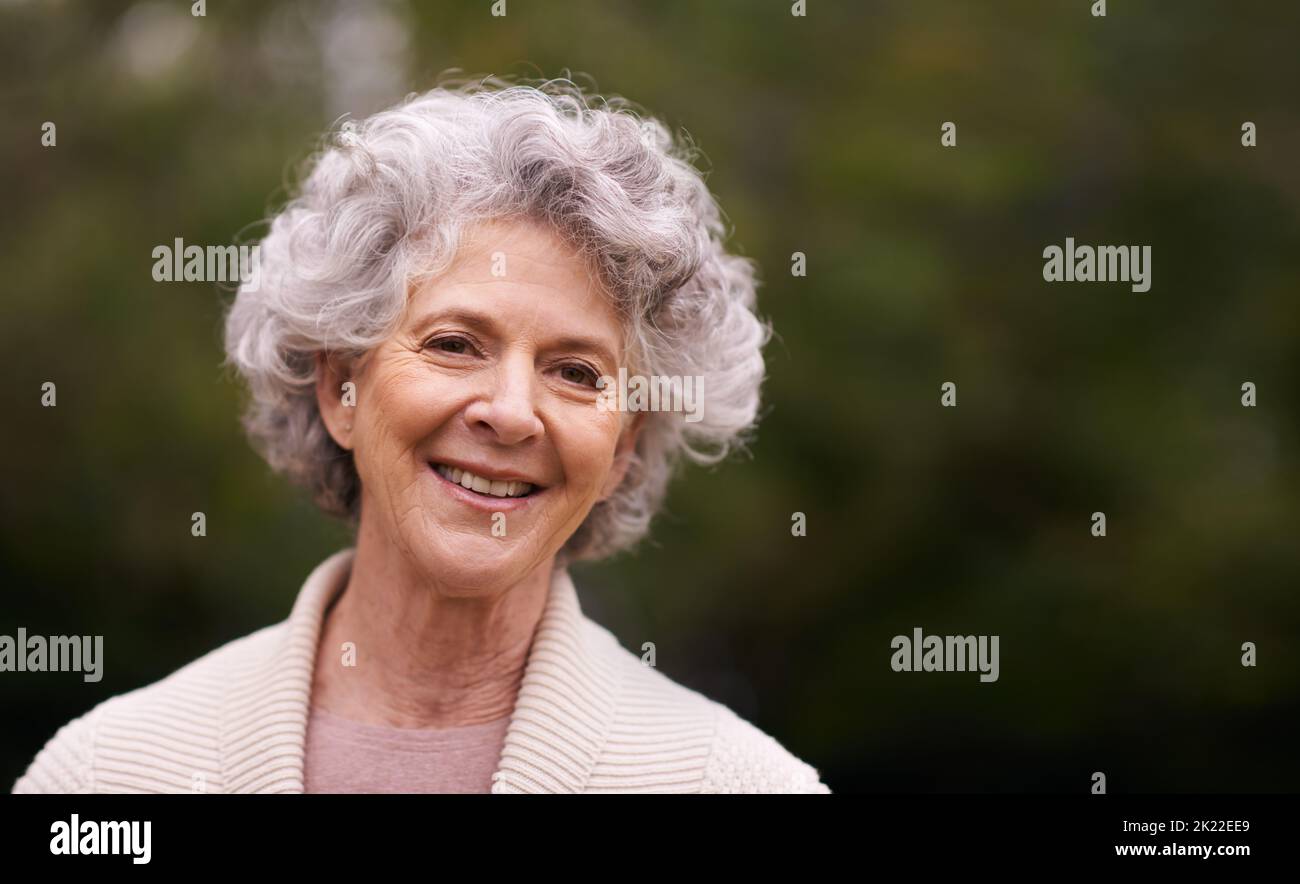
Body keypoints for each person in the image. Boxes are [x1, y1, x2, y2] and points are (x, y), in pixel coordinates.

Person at [13, 77, 830, 794]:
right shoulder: (108, 775)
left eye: (576, 372)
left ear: (621, 449)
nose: (510, 412)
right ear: (341, 387)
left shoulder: (738, 784)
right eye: (454, 344)